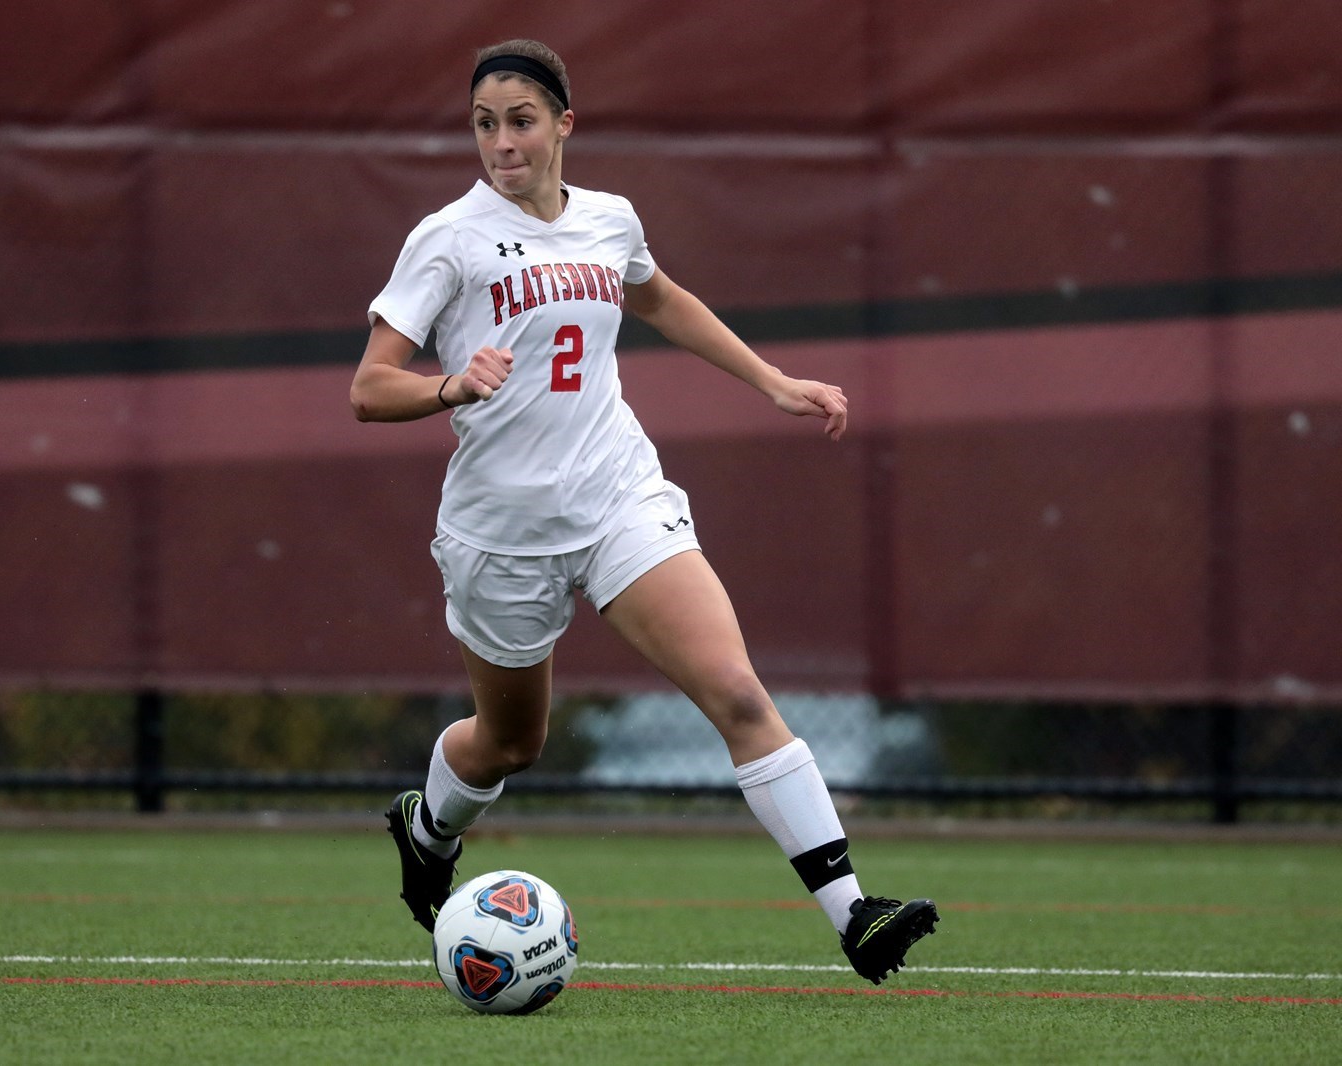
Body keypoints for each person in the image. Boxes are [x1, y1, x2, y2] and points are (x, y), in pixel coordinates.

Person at [350, 38, 938, 986]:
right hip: (502, 535)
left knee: (739, 693)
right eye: (485, 124)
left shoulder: (609, 220)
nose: (503, 142)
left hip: (620, 497)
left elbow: (661, 298)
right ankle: (428, 828)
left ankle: (854, 914)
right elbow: (370, 391)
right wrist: (450, 386)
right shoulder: (447, 238)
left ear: (565, 125)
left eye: (523, 120)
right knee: (510, 742)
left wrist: (773, 382)